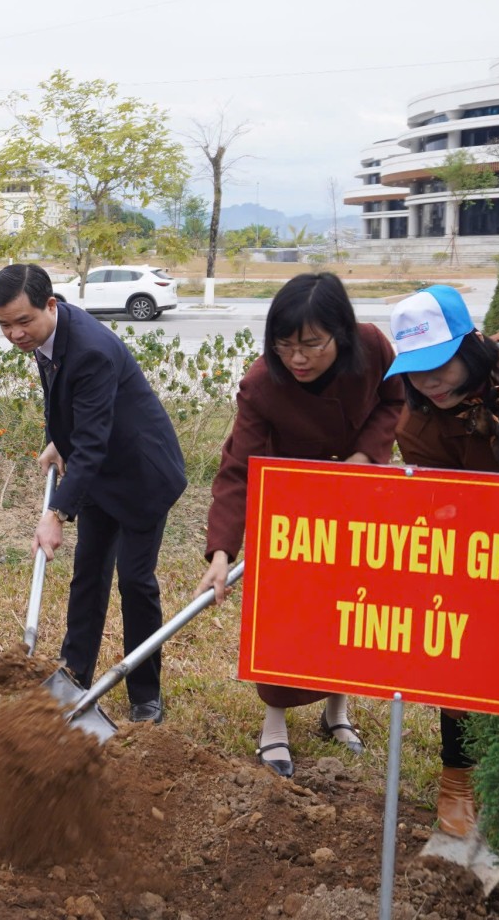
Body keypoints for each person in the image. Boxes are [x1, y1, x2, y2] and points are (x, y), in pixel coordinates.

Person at [199, 272, 405, 777]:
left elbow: (395, 402)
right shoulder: (261, 383)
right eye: (285, 345)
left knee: (348, 606)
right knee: (286, 615)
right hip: (291, 505)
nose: (298, 359)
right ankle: (275, 725)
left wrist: (363, 455)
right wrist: (222, 550)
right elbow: (237, 466)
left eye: (312, 344)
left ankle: (337, 710)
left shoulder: (375, 347)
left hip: (357, 496)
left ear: (342, 334)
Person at [384, 284, 499, 837]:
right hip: (489, 549)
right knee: (458, 647)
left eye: (440, 363)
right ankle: (458, 777)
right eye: (414, 370)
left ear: (471, 344)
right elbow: (446, 510)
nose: (427, 382)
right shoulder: (419, 428)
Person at [0, 264, 187, 724]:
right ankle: (74, 678)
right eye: (4, 325)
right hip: (98, 472)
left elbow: (94, 441)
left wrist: (55, 513)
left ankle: (144, 692)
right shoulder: (47, 337)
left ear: (50, 306)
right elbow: (77, 410)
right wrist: (61, 439)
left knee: (135, 580)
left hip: (141, 475)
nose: (15, 334)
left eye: (22, 321)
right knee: (88, 574)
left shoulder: (91, 349)